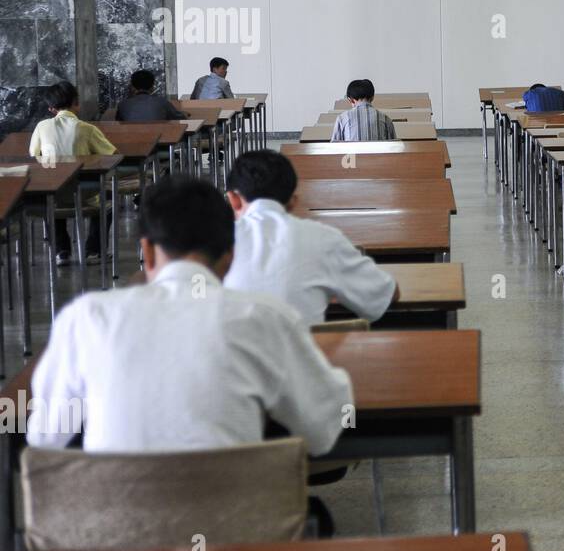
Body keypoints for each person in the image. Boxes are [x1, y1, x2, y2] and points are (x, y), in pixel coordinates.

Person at [26, 176, 354, 457]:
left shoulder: (86, 318)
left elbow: (45, 437)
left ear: (148, 252)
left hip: (114, 526)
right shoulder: (267, 319)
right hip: (244, 527)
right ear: (230, 257)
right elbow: (322, 432)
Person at [222, 150, 399, 324]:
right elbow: (388, 293)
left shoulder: (217, 242)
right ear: (293, 203)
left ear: (233, 200)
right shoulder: (324, 239)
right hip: (304, 351)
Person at [28, 80, 116, 264]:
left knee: (50, 201)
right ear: (77, 103)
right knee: (107, 199)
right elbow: (111, 154)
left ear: (51, 108)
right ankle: (94, 251)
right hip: (84, 193)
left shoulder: (41, 127)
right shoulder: (87, 129)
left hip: (53, 192)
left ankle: (62, 252)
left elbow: (33, 155)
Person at [331, 79, 396, 141]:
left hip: (352, 153)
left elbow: (334, 148)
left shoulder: (342, 118)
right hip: (378, 152)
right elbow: (394, 147)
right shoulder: (385, 118)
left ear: (350, 100)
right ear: (372, 97)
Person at [115, 69, 185, 122]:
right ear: (152, 87)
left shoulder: (122, 104)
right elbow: (180, 118)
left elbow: (118, 122)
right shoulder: (162, 102)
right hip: (158, 139)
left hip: (129, 139)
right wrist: (186, 114)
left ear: (132, 87)